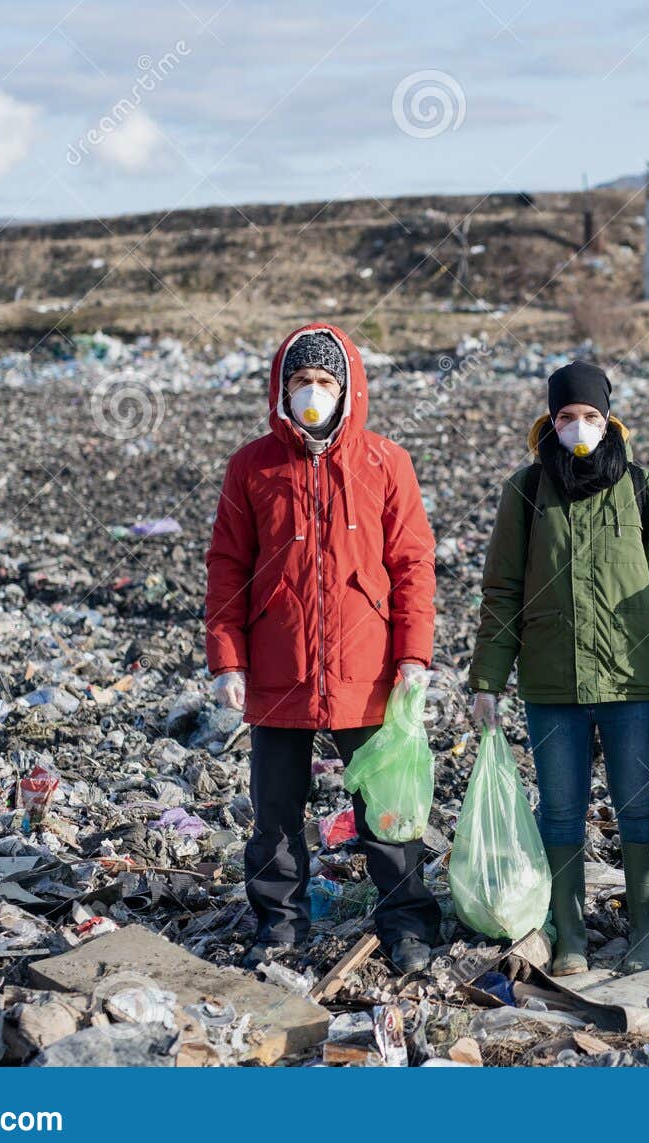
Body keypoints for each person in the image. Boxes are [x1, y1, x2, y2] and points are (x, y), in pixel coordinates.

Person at [205, 323, 440, 974]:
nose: (313, 393)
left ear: (348, 390)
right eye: (301, 381)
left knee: (387, 811)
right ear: (282, 389)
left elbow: (413, 564)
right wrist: (227, 659)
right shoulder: (253, 466)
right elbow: (227, 565)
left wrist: (414, 657)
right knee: (276, 815)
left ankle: (405, 925)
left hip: (367, 674)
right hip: (279, 673)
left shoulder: (385, 462)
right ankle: (280, 927)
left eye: (325, 381)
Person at [468, 361, 649, 976]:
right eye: (568, 417)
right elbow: (501, 590)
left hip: (634, 677)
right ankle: (571, 934)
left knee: (638, 804)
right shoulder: (525, 492)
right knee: (560, 809)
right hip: (553, 679)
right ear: (551, 421)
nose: (579, 428)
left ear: (610, 421)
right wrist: (487, 682)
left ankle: (646, 932)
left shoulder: (642, 488)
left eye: (591, 417)